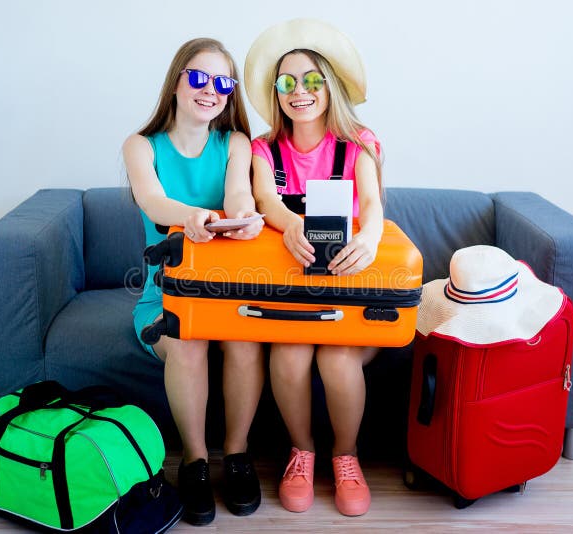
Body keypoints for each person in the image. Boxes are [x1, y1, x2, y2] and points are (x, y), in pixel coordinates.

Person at [122, 38, 265, 526]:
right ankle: (196, 461)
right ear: (177, 80)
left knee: (245, 343)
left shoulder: (237, 144)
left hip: (228, 293)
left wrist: (244, 218)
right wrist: (195, 217)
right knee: (186, 344)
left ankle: (239, 456)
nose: (211, 90)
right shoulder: (140, 146)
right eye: (199, 78)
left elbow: (239, 194)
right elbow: (153, 200)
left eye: (222, 82)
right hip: (165, 293)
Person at [244, 19, 384, 517]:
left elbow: (372, 204)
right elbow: (265, 199)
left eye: (310, 81)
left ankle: (345, 458)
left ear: (329, 86)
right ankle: (300, 453)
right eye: (286, 82)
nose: (298, 92)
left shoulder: (357, 143)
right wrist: (287, 223)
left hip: (350, 295)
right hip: (293, 298)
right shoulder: (263, 149)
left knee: (337, 359)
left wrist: (368, 236)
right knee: (288, 355)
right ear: (276, 92)